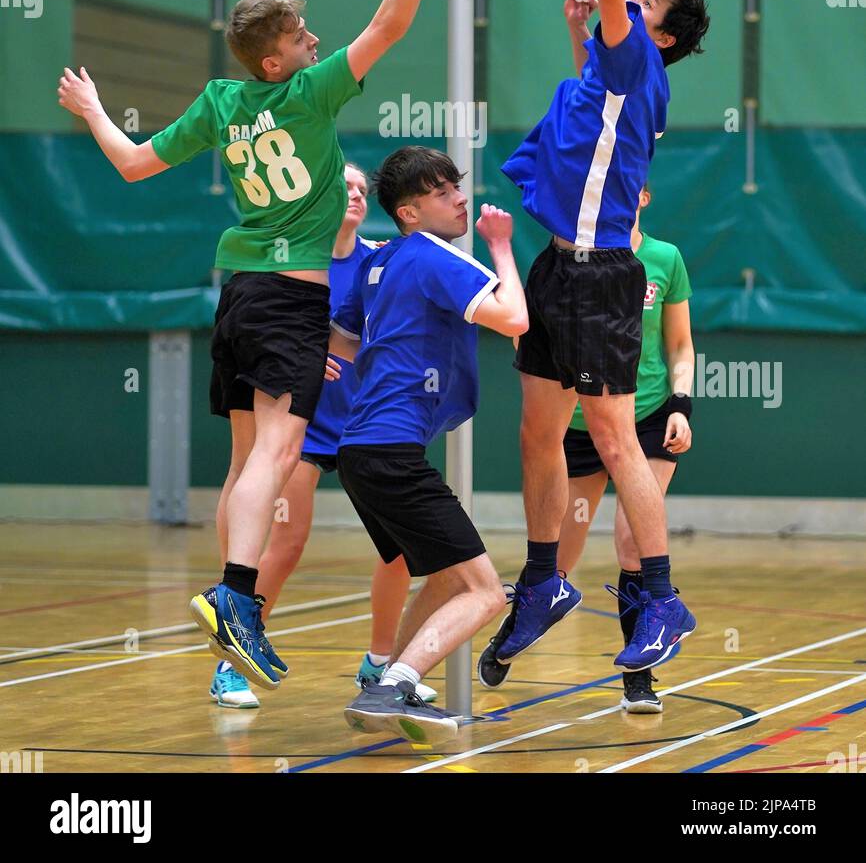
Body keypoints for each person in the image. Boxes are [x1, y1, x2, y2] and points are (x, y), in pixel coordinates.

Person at [56, 0, 476, 692]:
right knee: (278, 455)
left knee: (247, 458)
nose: (314, 36)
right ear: (276, 59)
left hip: (237, 294)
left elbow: (136, 164)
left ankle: (233, 604)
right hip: (288, 297)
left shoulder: (221, 101)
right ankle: (237, 596)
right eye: (301, 30)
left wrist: (94, 109)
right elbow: (391, 23)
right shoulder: (309, 93)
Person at [497, 0, 709, 675]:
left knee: (618, 441)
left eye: (649, 0)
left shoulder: (638, 61)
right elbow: (589, 116)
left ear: (656, 35)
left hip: (600, 275)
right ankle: (545, 579)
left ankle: (660, 597)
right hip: (557, 266)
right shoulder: (611, 67)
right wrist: (579, 33)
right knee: (538, 433)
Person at [208, 162, 435, 708]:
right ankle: (232, 657)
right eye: (345, 187)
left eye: (362, 189)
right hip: (303, 425)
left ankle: (381, 662)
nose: (355, 195)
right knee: (285, 542)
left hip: (365, 424)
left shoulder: (380, 259)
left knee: (401, 548)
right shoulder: (295, 268)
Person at [331, 147, 528, 744]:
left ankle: (387, 681)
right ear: (410, 212)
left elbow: (338, 342)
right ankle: (398, 684)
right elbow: (514, 319)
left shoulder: (379, 262)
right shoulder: (433, 254)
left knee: (445, 578)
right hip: (390, 452)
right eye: (444, 193)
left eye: (457, 187)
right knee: (487, 592)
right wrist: (499, 245)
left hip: (361, 452)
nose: (462, 198)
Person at [478, 179, 695, 713]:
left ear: (641, 195)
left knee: (630, 547)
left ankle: (639, 677)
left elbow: (682, 343)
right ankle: (525, 614)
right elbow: (524, 332)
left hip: (643, 420)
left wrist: (681, 404)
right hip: (575, 425)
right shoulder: (561, 263)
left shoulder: (662, 259)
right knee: (561, 553)